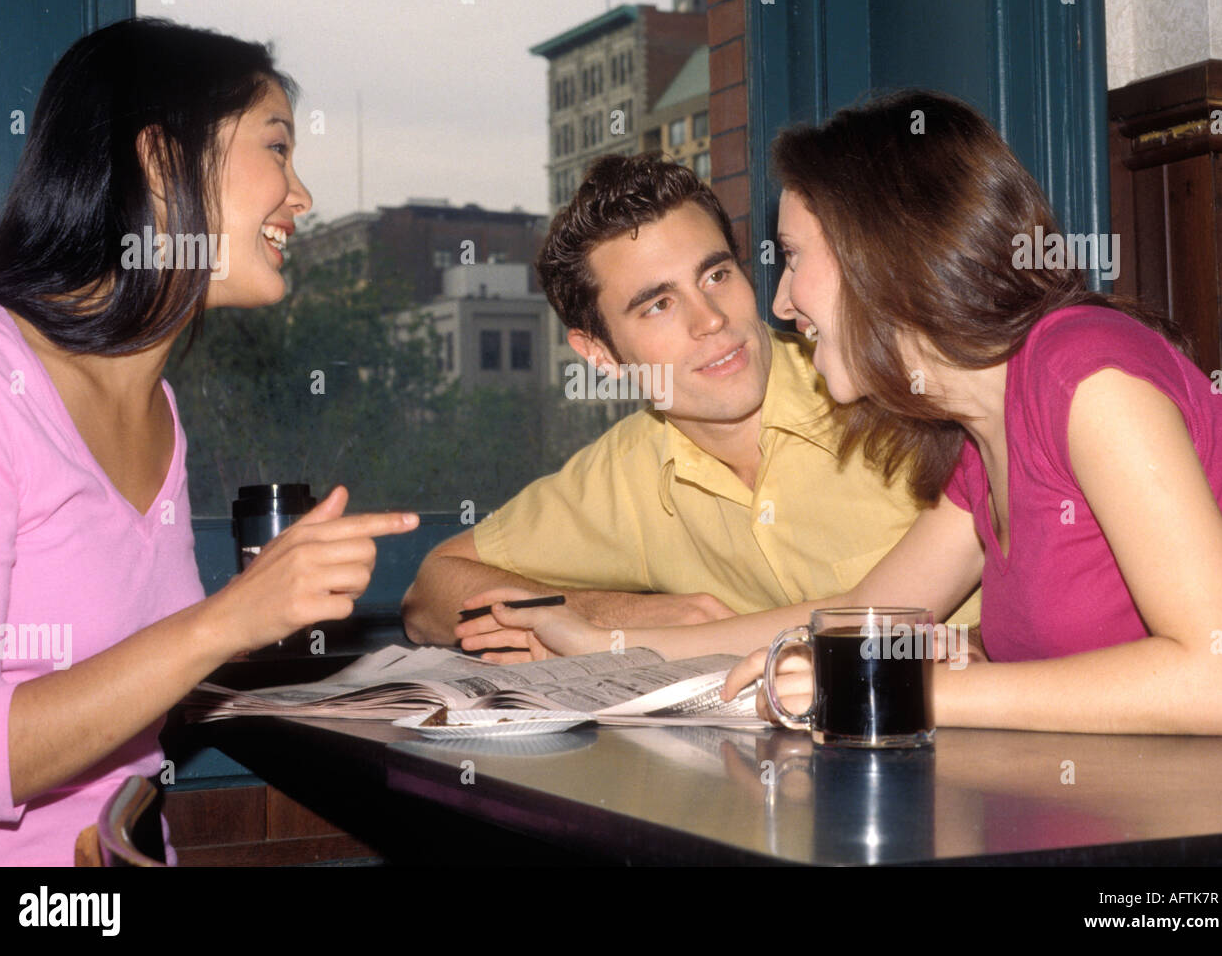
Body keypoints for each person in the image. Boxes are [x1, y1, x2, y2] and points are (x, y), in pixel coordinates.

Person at [458, 91, 1222, 737]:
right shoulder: (983, 439)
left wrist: (893, 685)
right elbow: (850, 622)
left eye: (794, 259)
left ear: (880, 257)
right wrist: (604, 644)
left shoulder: (1084, 372)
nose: (777, 302)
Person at [0, 18, 416, 866]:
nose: (301, 195)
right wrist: (228, 619)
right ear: (161, 160)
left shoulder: (159, 411)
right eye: (275, 148)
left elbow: (128, 699)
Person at [403, 153, 980, 652]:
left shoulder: (893, 395)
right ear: (600, 353)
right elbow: (430, 593)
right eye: (657, 305)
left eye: (716, 275)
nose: (712, 320)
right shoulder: (625, 473)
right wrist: (628, 614)